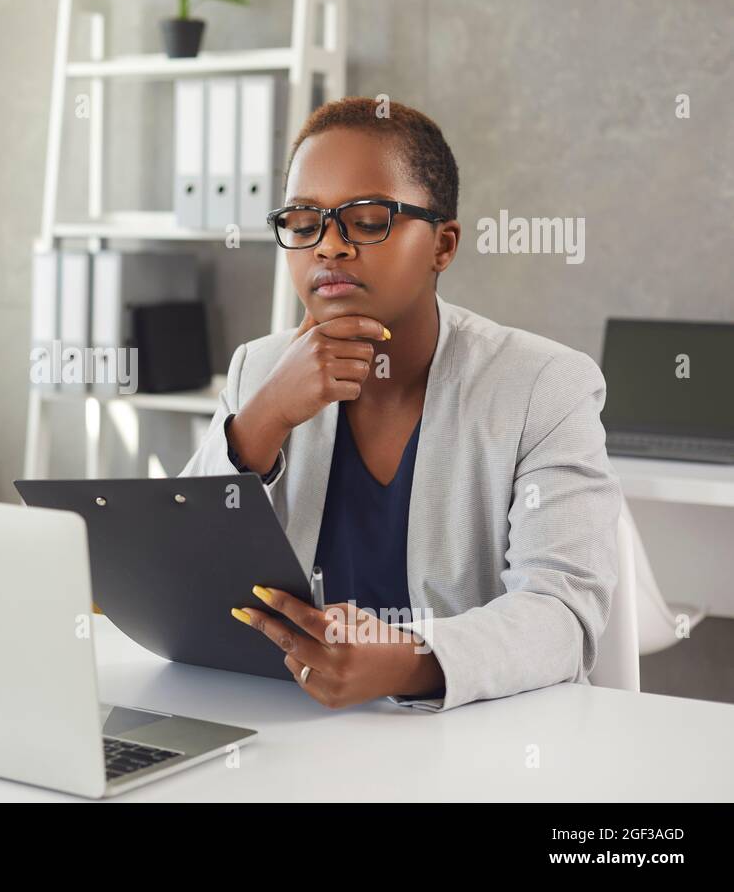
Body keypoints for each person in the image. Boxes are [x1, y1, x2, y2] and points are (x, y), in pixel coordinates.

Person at [182, 96, 621, 711]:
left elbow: (562, 618)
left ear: (443, 245)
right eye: (304, 223)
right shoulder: (258, 369)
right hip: (292, 734)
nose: (328, 247)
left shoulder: (544, 386)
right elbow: (181, 579)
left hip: (475, 749)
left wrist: (408, 662)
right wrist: (264, 417)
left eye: (366, 221)